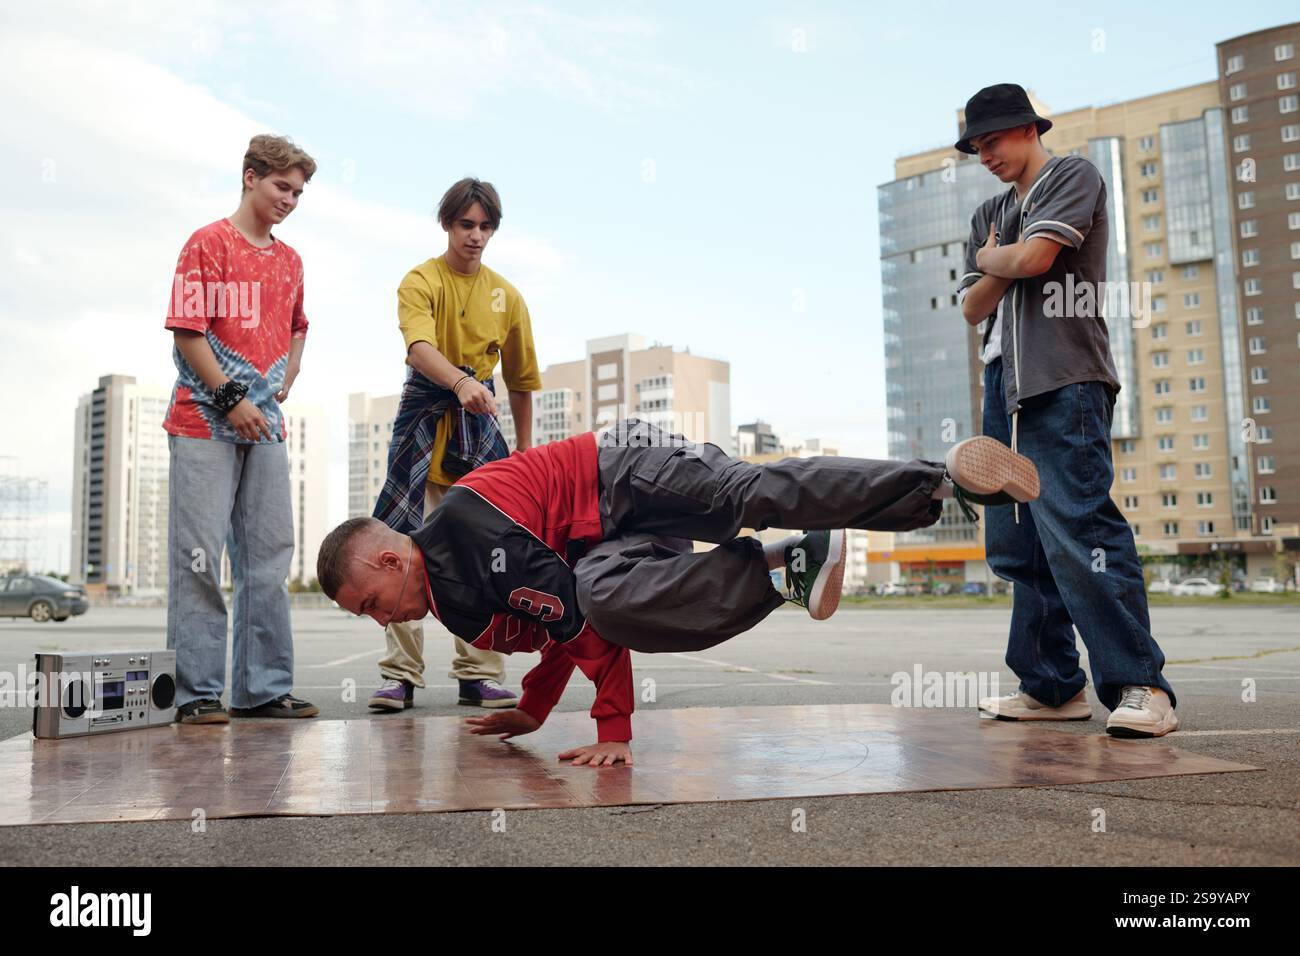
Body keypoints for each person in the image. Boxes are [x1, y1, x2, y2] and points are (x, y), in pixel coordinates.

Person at [317, 419, 1040, 765]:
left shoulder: (466, 537)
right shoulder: (457, 607)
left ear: (387, 557)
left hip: (623, 467)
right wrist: (533, 710)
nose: (382, 621)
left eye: (371, 603)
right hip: (611, 537)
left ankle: (941, 481)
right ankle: (786, 567)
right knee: (609, 597)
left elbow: (569, 625)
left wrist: (613, 733)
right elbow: (567, 626)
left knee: (746, 494)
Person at [955, 83, 1179, 737]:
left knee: (1082, 532)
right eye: (975, 145)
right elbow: (971, 307)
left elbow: (1036, 256)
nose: (984, 153)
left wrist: (993, 259)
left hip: (1065, 380)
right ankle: (1052, 687)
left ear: (1028, 129)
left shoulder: (1070, 176)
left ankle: (1142, 685)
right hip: (1004, 386)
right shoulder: (990, 210)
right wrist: (1003, 261)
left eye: (992, 139)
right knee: (1019, 546)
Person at [367, 178, 543, 713]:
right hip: (424, 423)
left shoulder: (507, 295)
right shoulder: (420, 280)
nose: (476, 235)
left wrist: (528, 454)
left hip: (480, 433)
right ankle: (400, 676)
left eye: (486, 226)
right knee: (400, 551)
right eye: (467, 224)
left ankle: (480, 673)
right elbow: (419, 347)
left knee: (485, 554)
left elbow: (522, 380)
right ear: (447, 224)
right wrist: (461, 383)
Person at [163, 134, 319, 724]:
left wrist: (295, 362)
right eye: (282, 186)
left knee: (269, 558)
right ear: (251, 177)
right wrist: (230, 399)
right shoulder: (207, 243)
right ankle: (195, 693)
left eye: (299, 192)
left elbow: (300, 323)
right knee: (199, 557)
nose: (291, 199)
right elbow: (186, 331)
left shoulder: (292, 261)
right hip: (203, 422)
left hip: (268, 428)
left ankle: (263, 690)